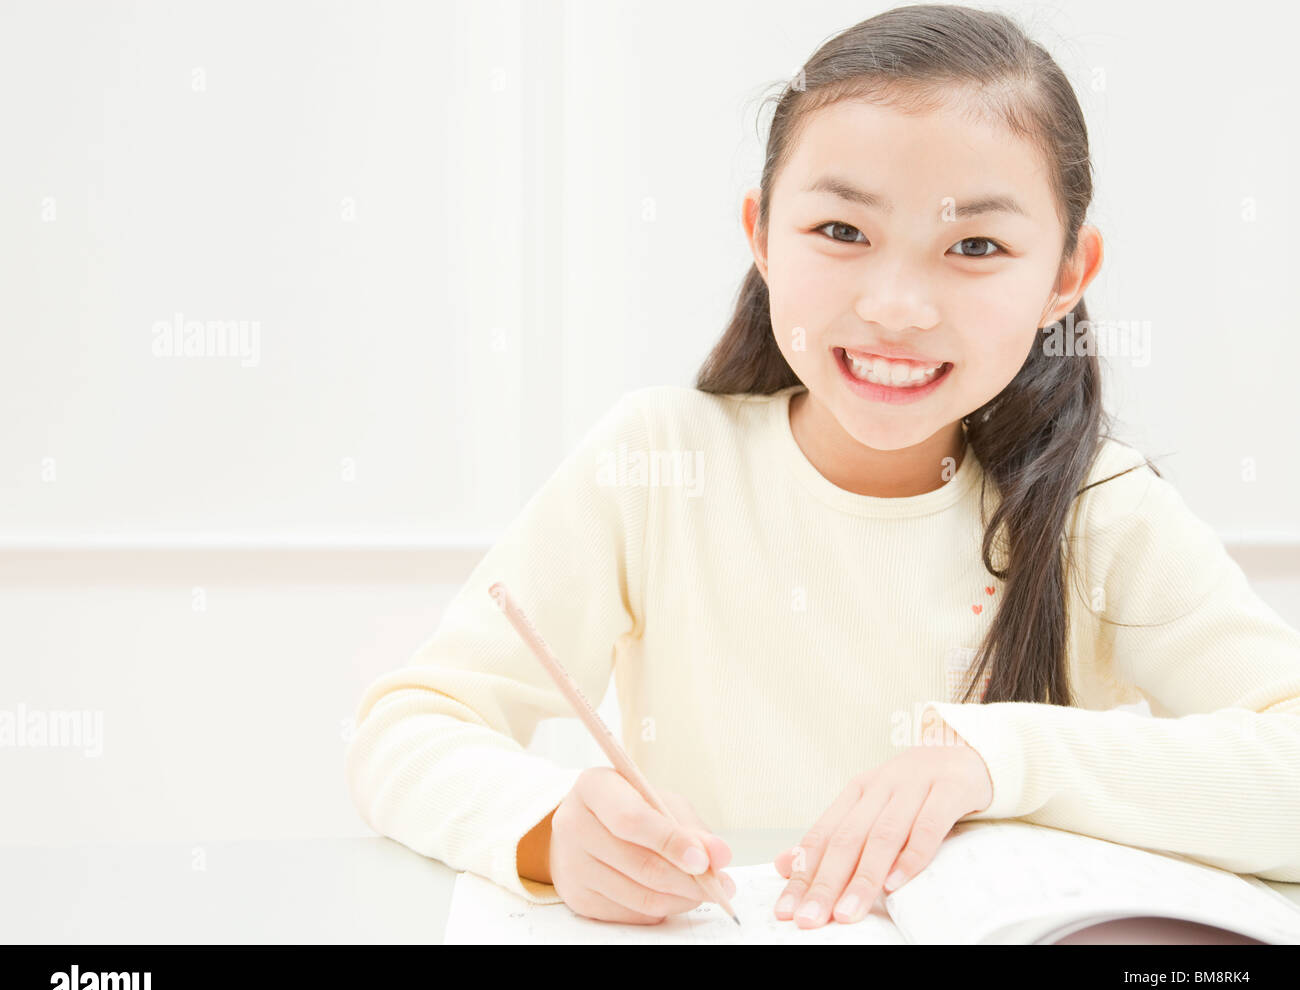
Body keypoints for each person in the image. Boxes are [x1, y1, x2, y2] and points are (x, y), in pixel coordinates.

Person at [345, 4, 1300, 930]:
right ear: (761, 235)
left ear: (1064, 276)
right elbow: (410, 728)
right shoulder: (658, 464)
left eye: (975, 245)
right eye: (843, 232)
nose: (896, 306)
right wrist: (548, 831)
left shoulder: (1100, 507)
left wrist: (1003, 758)